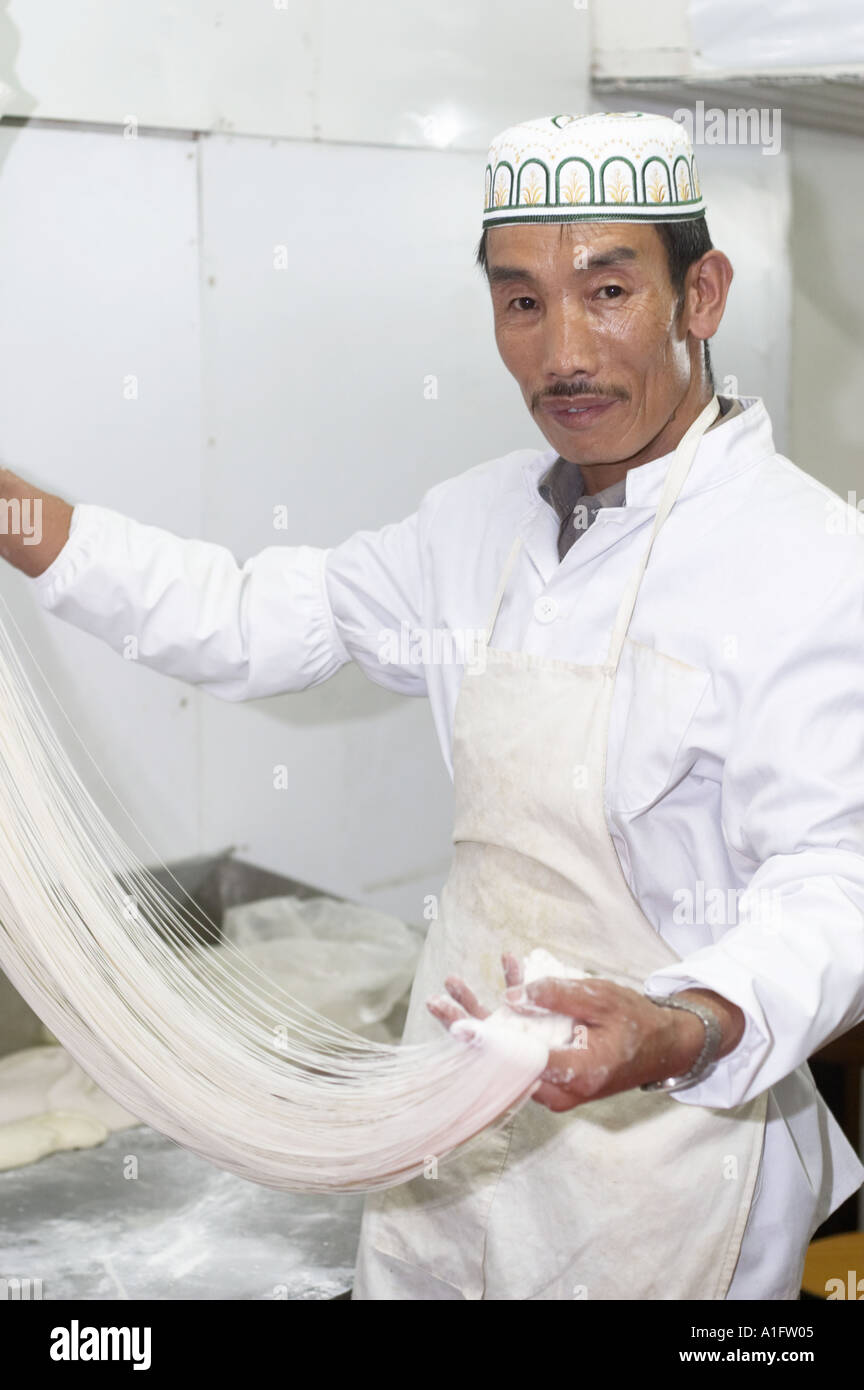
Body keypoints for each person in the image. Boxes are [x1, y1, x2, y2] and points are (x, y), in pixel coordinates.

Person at [1, 111, 862, 1301]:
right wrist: (10, 511)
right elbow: (252, 617)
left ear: (700, 294)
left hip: (669, 1162)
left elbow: (835, 883)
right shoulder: (477, 524)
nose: (562, 350)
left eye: (607, 290)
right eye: (521, 302)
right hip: (457, 1126)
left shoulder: (805, 558)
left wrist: (683, 1025)